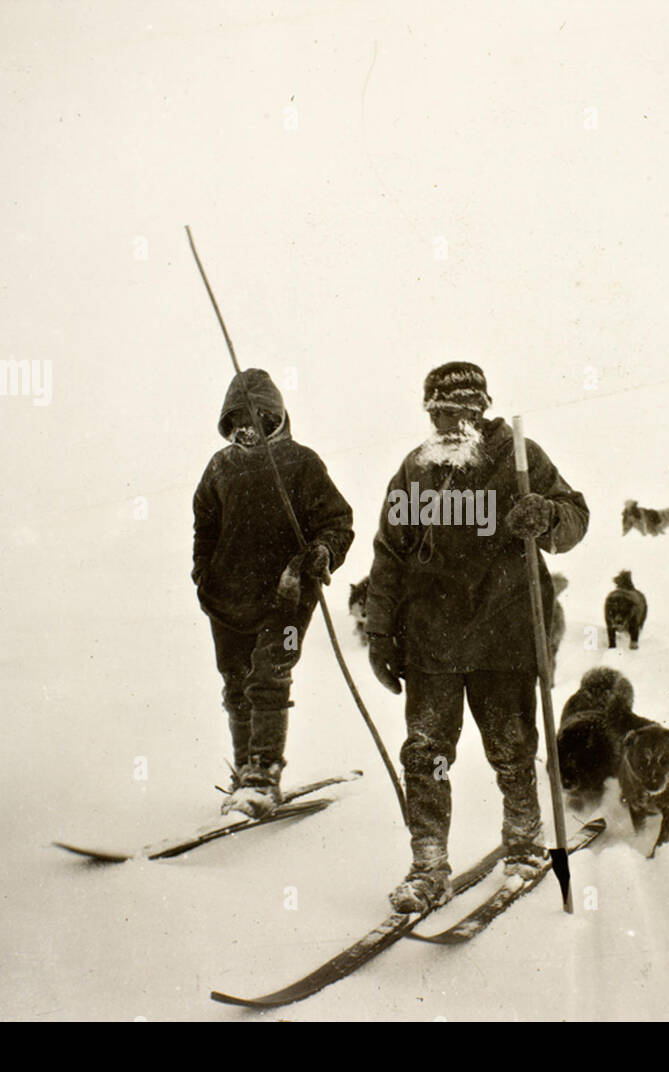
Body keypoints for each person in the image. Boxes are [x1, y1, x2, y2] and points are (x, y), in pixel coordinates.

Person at [365, 362, 589, 912]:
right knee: (426, 754)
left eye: (460, 410)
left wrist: (549, 514)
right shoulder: (414, 470)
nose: (449, 421)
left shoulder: (519, 458)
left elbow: (576, 515)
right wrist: (378, 630)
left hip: (504, 635)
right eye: (439, 411)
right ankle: (428, 866)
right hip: (431, 642)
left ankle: (522, 844)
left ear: (482, 408)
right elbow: (389, 553)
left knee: (511, 749)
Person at [192, 369, 354, 818]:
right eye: (237, 417)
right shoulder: (219, 467)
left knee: (268, 674)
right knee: (236, 683)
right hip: (226, 599)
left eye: (258, 416)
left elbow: (337, 521)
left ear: (276, 416)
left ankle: (263, 776)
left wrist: (323, 551)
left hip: (287, 593)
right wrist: (202, 572)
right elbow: (204, 525)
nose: (248, 426)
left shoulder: (302, 462)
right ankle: (244, 769)